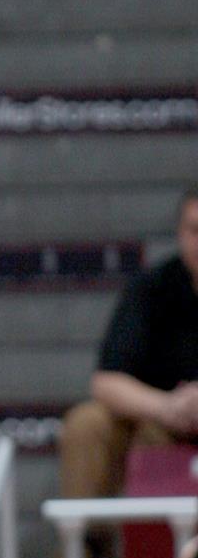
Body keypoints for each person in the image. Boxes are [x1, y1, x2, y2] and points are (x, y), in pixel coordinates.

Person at [60, 191, 198, 504]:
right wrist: (166, 407)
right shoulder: (151, 288)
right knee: (88, 424)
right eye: (195, 230)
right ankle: (85, 546)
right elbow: (106, 381)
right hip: (160, 418)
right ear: (180, 234)